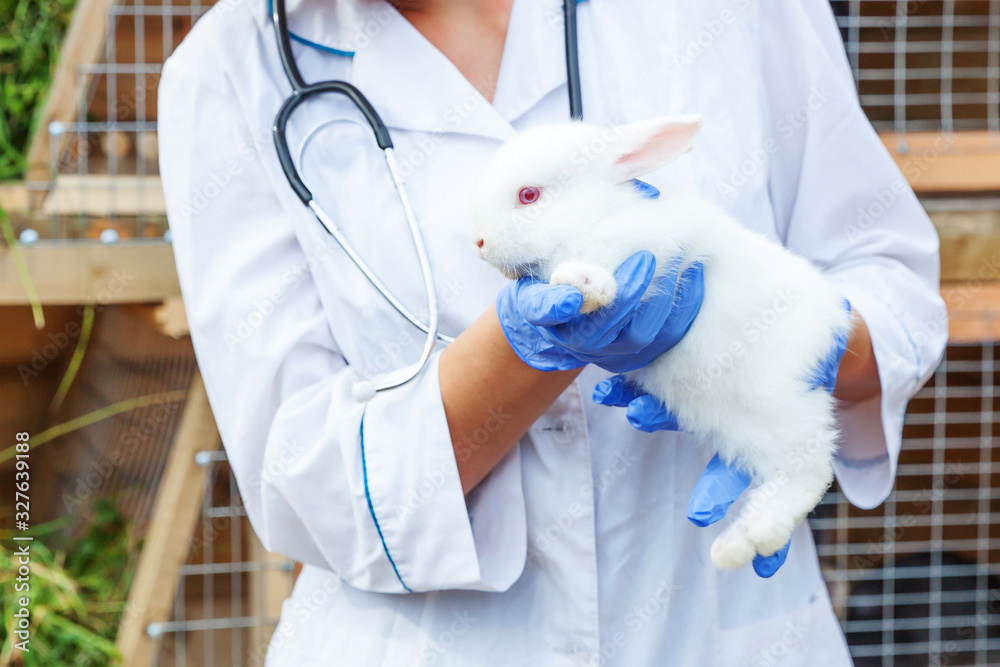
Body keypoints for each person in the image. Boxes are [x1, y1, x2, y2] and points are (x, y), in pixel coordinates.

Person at [158, 0, 947, 664]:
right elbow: (301, 479)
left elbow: (892, 286)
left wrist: (754, 337)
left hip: (720, 629)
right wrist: (529, 349)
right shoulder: (228, 73)